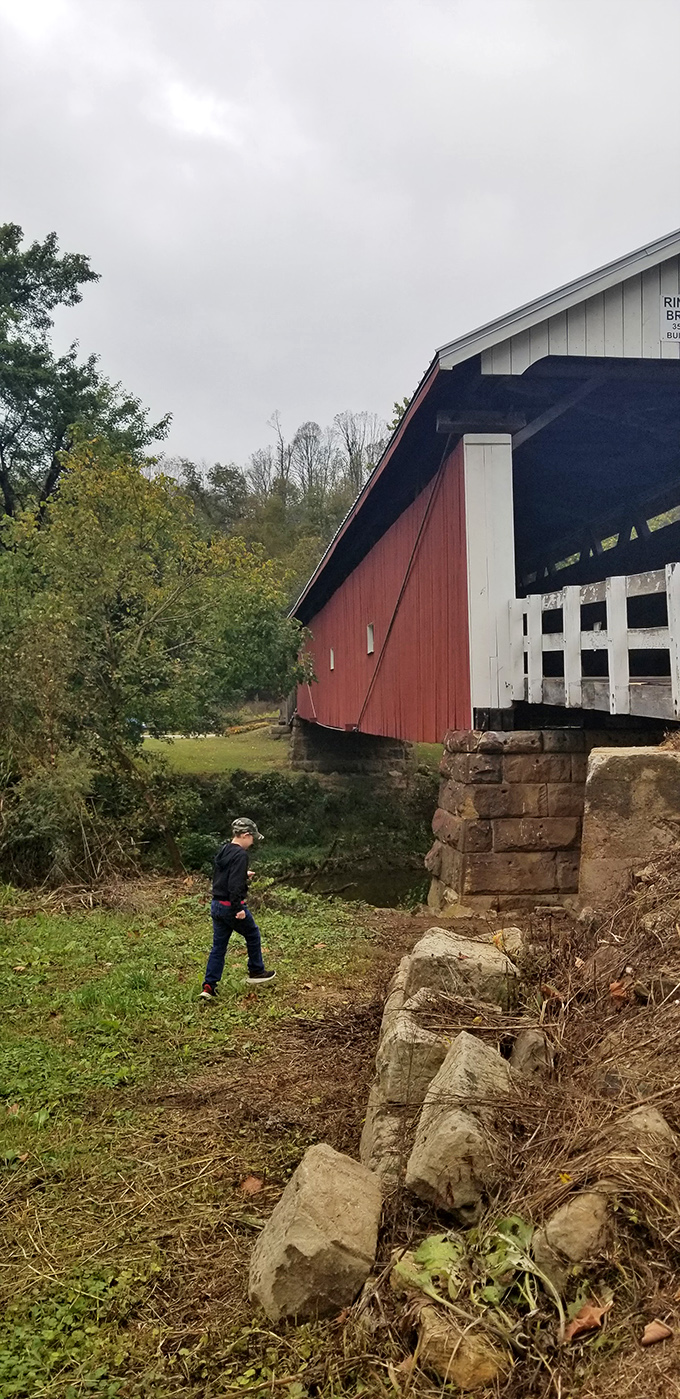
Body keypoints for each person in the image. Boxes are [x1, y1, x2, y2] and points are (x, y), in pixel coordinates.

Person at [200, 817, 276, 999]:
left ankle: (208, 987)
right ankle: (256, 971)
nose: (252, 842)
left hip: (216, 905)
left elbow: (224, 876)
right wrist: (238, 908)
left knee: (218, 947)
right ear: (245, 835)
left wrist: (243, 874)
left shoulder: (225, 849)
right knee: (252, 933)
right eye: (252, 838)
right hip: (230, 906)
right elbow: (234, 886)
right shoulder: (241, 854)